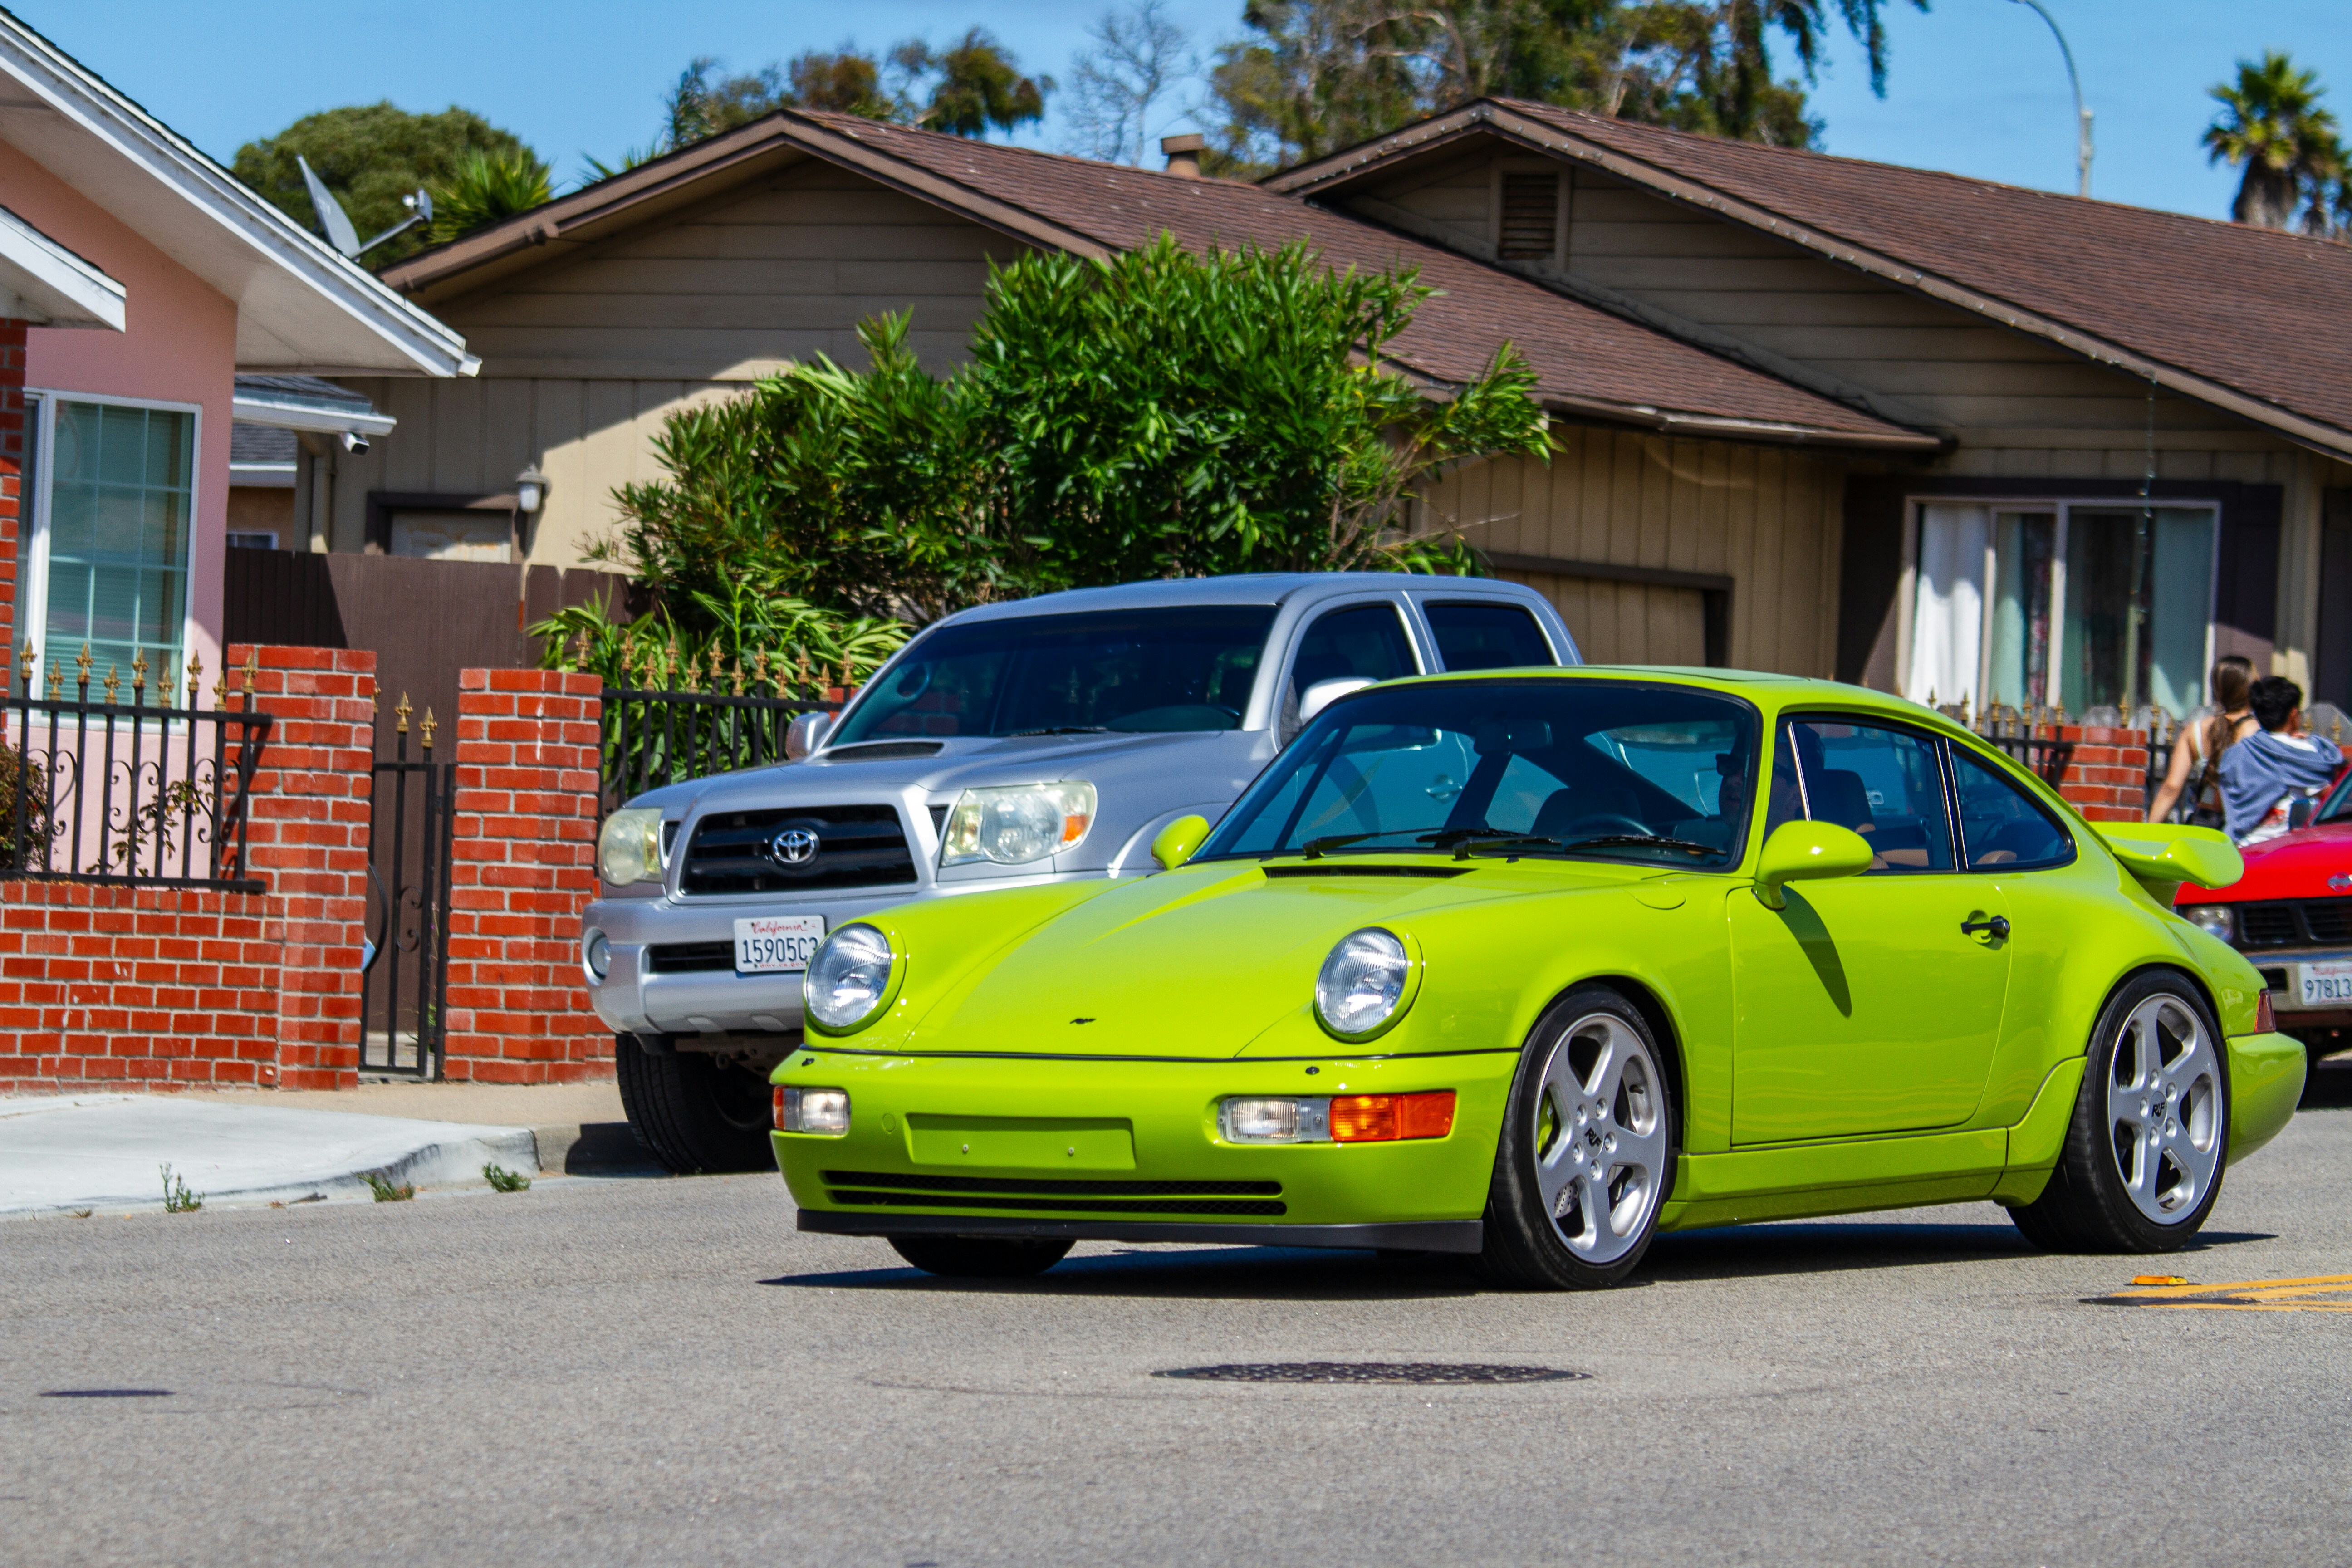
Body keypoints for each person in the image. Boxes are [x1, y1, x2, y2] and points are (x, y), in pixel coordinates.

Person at [2219, 676, 2344, 846]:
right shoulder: (2301, 752)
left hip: (2237, 846)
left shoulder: (2236, 753)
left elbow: (2220, 801)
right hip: (2276, 848)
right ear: (2293, 715)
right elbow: (2330, 798)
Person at [2146, 655, 2257, 825]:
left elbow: (2171, 787)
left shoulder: (2196, 730)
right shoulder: (2258, 732)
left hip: (2205, 825)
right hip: (2243, 827)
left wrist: (2147, 834)